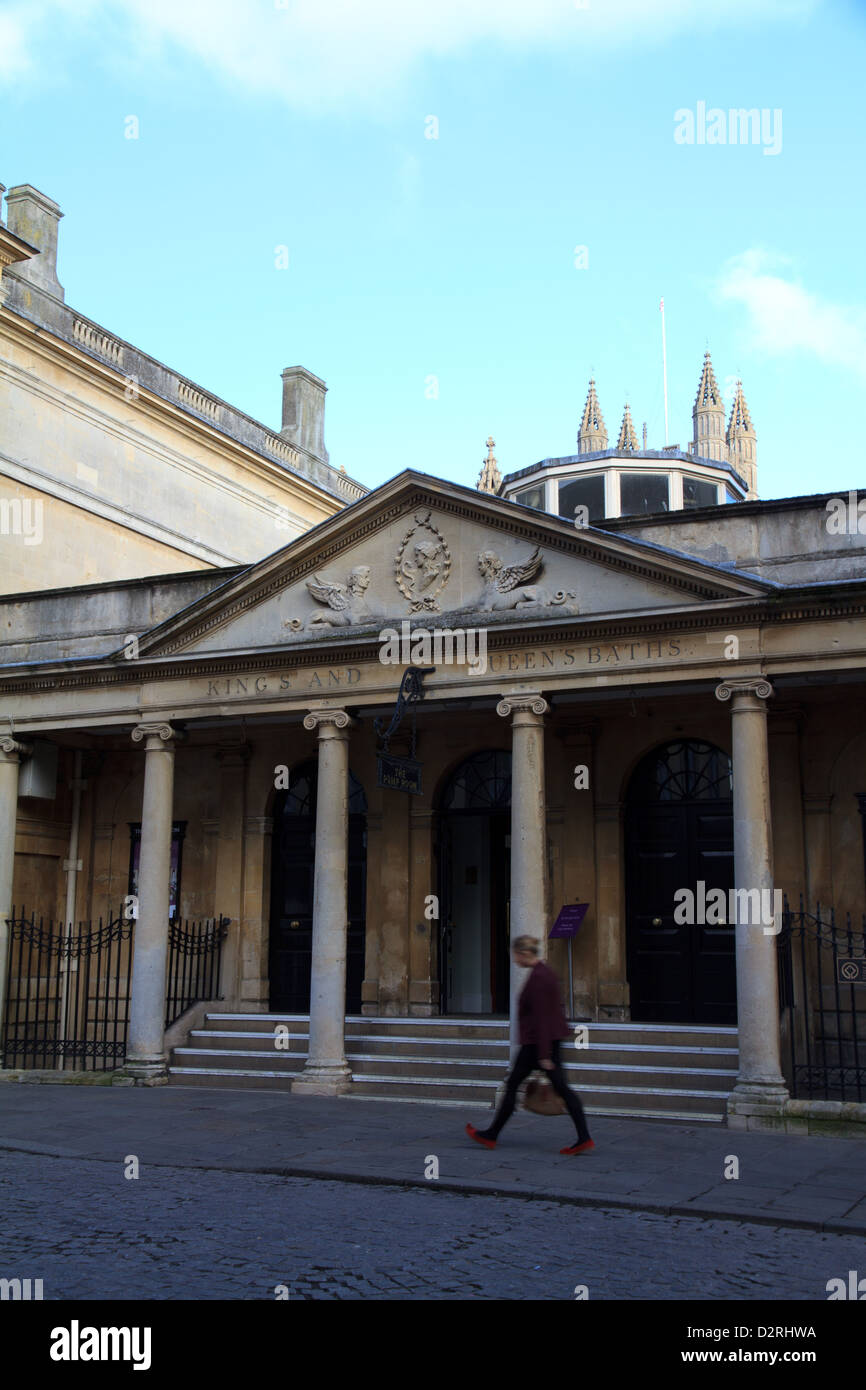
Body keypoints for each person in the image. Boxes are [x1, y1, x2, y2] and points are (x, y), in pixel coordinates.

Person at [466, 935, 594, 1155]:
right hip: (543, 1043)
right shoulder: (543, 973)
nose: (514, 959)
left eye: (515, 954)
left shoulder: (539, 978)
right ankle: (583, 1137)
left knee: (518, 1085)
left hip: (538, 1045)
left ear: (524, 954)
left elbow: (543, 1017)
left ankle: (491, 1135)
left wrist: (544, 1054)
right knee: (555, 1088)